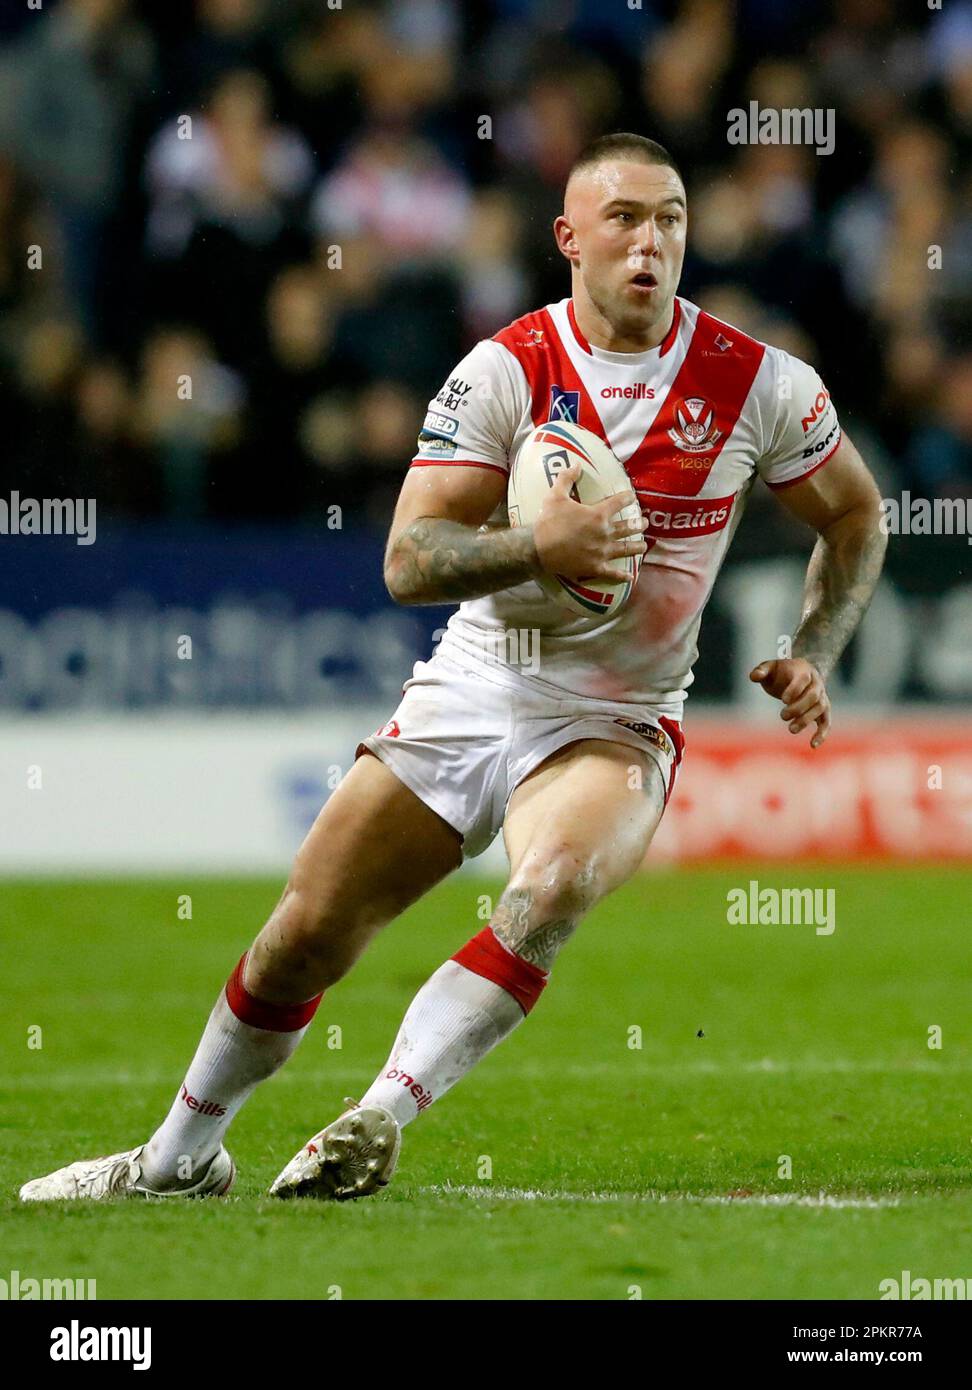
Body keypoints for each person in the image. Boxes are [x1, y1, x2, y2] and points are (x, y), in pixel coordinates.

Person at [20, 132, 886, 1203]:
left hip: (613, 720)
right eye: (623, 219)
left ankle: (378, 1114)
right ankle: (175, 1161)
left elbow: (854, 511)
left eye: (669, 219)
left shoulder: (757, 382)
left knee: (550, 886)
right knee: (303, 937)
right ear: (569, 238)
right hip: (476, 687)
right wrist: (538, 546)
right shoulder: (507, 368)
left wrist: (815, 649)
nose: (649, 241)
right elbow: (408, 558)